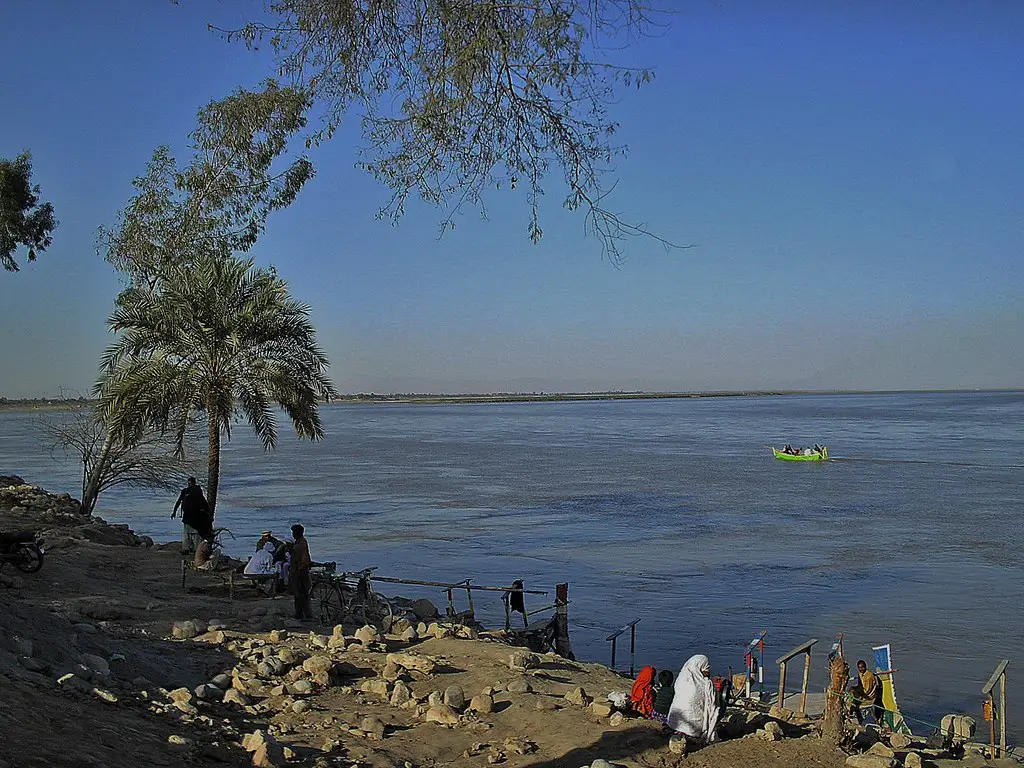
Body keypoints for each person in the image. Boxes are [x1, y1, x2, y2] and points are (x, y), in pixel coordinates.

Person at [666, 654, 721, 747]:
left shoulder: (681, 679)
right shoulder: (705, 685)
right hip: (693, 729)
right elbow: (713, 706)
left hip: (673, 723)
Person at [171, 477, 211, 554]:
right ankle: (187, 549)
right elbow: (179, 501)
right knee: (188, 534)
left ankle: (195, 549)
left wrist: (207, 512)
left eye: (191, 482)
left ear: (194, 483)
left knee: (195, 534)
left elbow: (203, 503)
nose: (189, 484)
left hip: (196, 517)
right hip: (188, 516)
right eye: (188, 483)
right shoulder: (185, 491)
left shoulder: (197, 492)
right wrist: (174, 512)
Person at [290, 524, 314, 621]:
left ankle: (305, 614)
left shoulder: (301, 544)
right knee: (298, 594)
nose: (292, 535)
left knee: (302, 594)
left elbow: (305, 559)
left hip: (300, 573)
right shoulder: (300, 542)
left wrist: (300, 568)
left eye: (293, 533)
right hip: (297, 571)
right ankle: (299, 613)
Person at [850, 659, 884, 727]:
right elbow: (860, 685)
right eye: (859, 668)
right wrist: (854, 689)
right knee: (851, 693)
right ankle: (856, 714)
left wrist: (857, 692)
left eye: (862, 667)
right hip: (863, 693)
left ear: (865, 667)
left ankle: (854, 714)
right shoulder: (860, 674)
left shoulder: (869, 676)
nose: (861, 669)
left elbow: (867, 690)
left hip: (869, 696)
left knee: (853, 701)